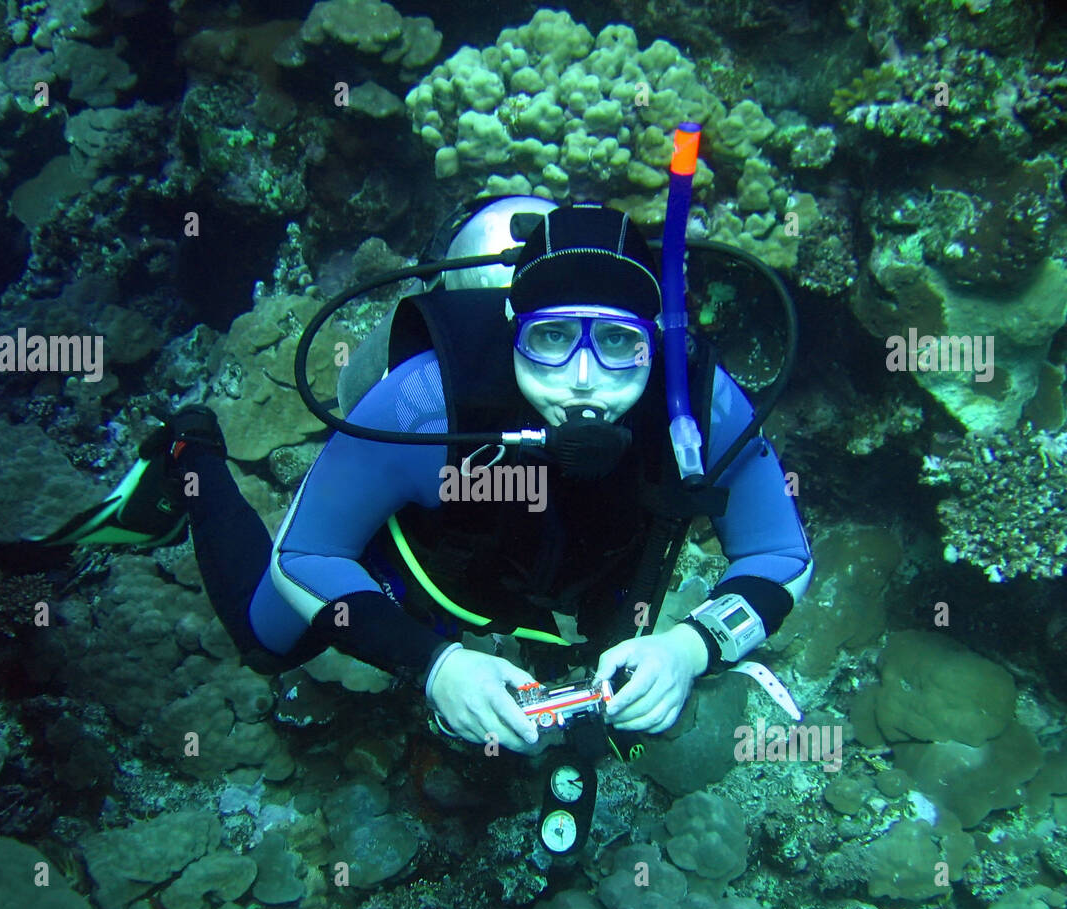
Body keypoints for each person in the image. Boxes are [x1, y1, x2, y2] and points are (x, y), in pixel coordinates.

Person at [56, 202, 812, 756]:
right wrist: (434, 665)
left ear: (657, 345)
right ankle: (191, 454)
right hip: (419, 563)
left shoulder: (700, 406)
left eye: (618, 344)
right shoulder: (425, 401)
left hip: (554, 585)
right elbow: (306, 557)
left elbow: (782, 556)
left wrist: (689, 648)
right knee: (267, 638)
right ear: (510, 327)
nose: (584, 383)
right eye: (550, 340)